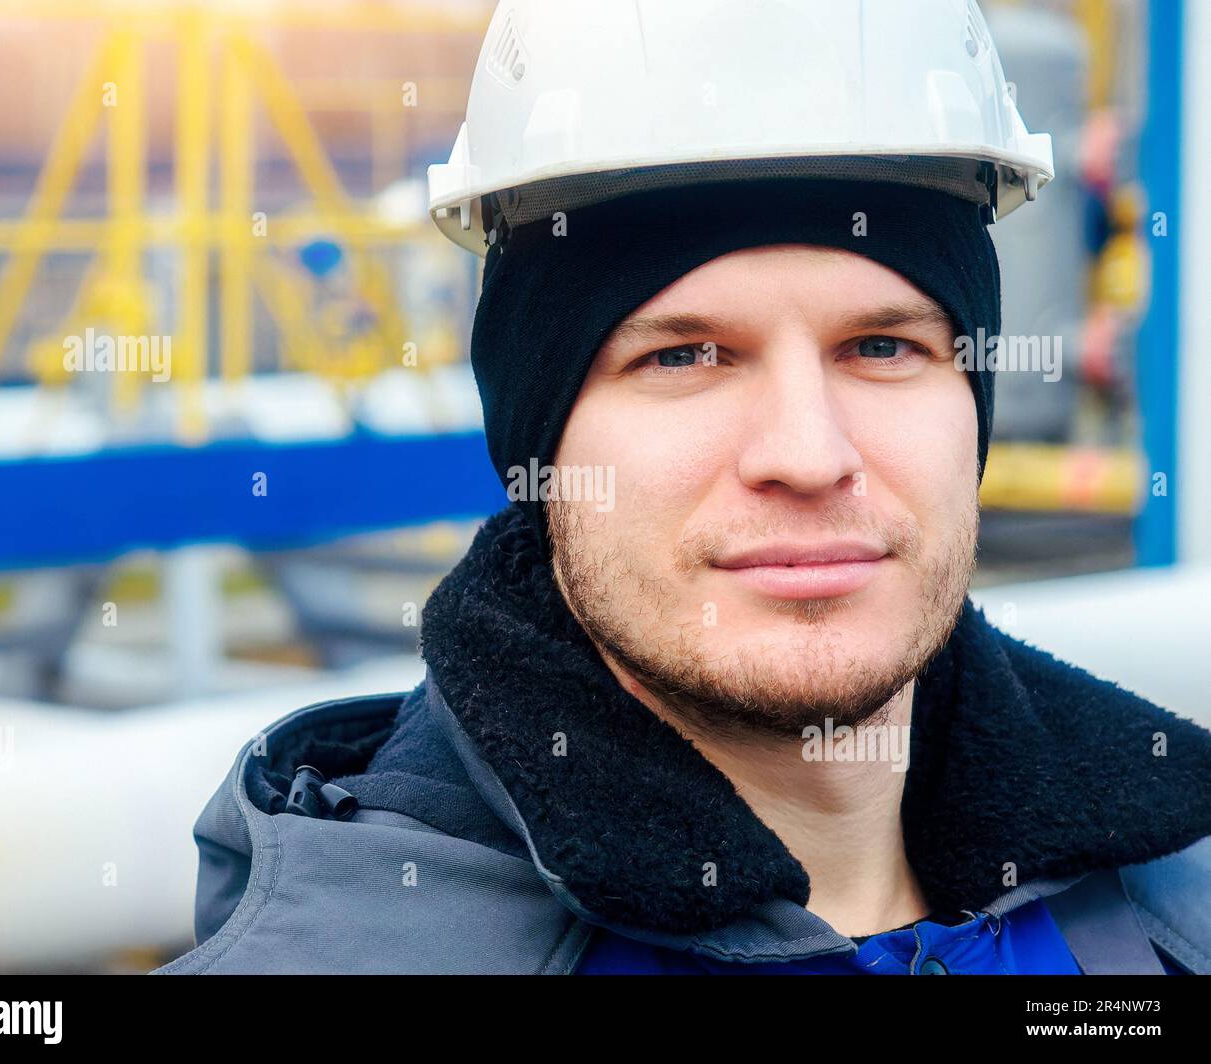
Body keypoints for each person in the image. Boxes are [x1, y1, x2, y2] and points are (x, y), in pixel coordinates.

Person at [155, 0, 1211, 975]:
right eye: (685, 355)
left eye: (882, 345)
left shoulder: (1172, 898)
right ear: (540, 437)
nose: (806, 451)